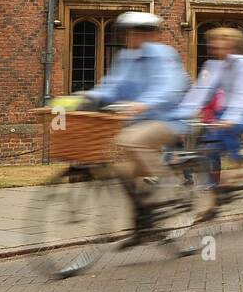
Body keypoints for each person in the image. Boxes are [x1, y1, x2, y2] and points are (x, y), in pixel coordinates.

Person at [79, 12, 190, 245]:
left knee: (129, 140)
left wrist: (144, 104)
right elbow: (112, 86)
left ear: (152, 35)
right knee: (125, 174)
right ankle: (143, 228)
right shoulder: (125, 58)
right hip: (138, 126)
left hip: (167, 120)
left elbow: (171, 86)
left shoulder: (164, 55)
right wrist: (88, 97)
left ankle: (167, 185)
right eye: (130, 33)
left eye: (140, 32)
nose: (134, 37)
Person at [178, 26, 243, 213]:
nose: (215, 51)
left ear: (232, 45)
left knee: (227, 130)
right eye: (213, 47)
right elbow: (201, 91)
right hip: (225, 110)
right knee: (206, 145)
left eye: (220, 46)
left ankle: (239, 169)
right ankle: (216, 194)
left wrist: (230, 119)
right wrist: (180, 114)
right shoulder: (213, 66)